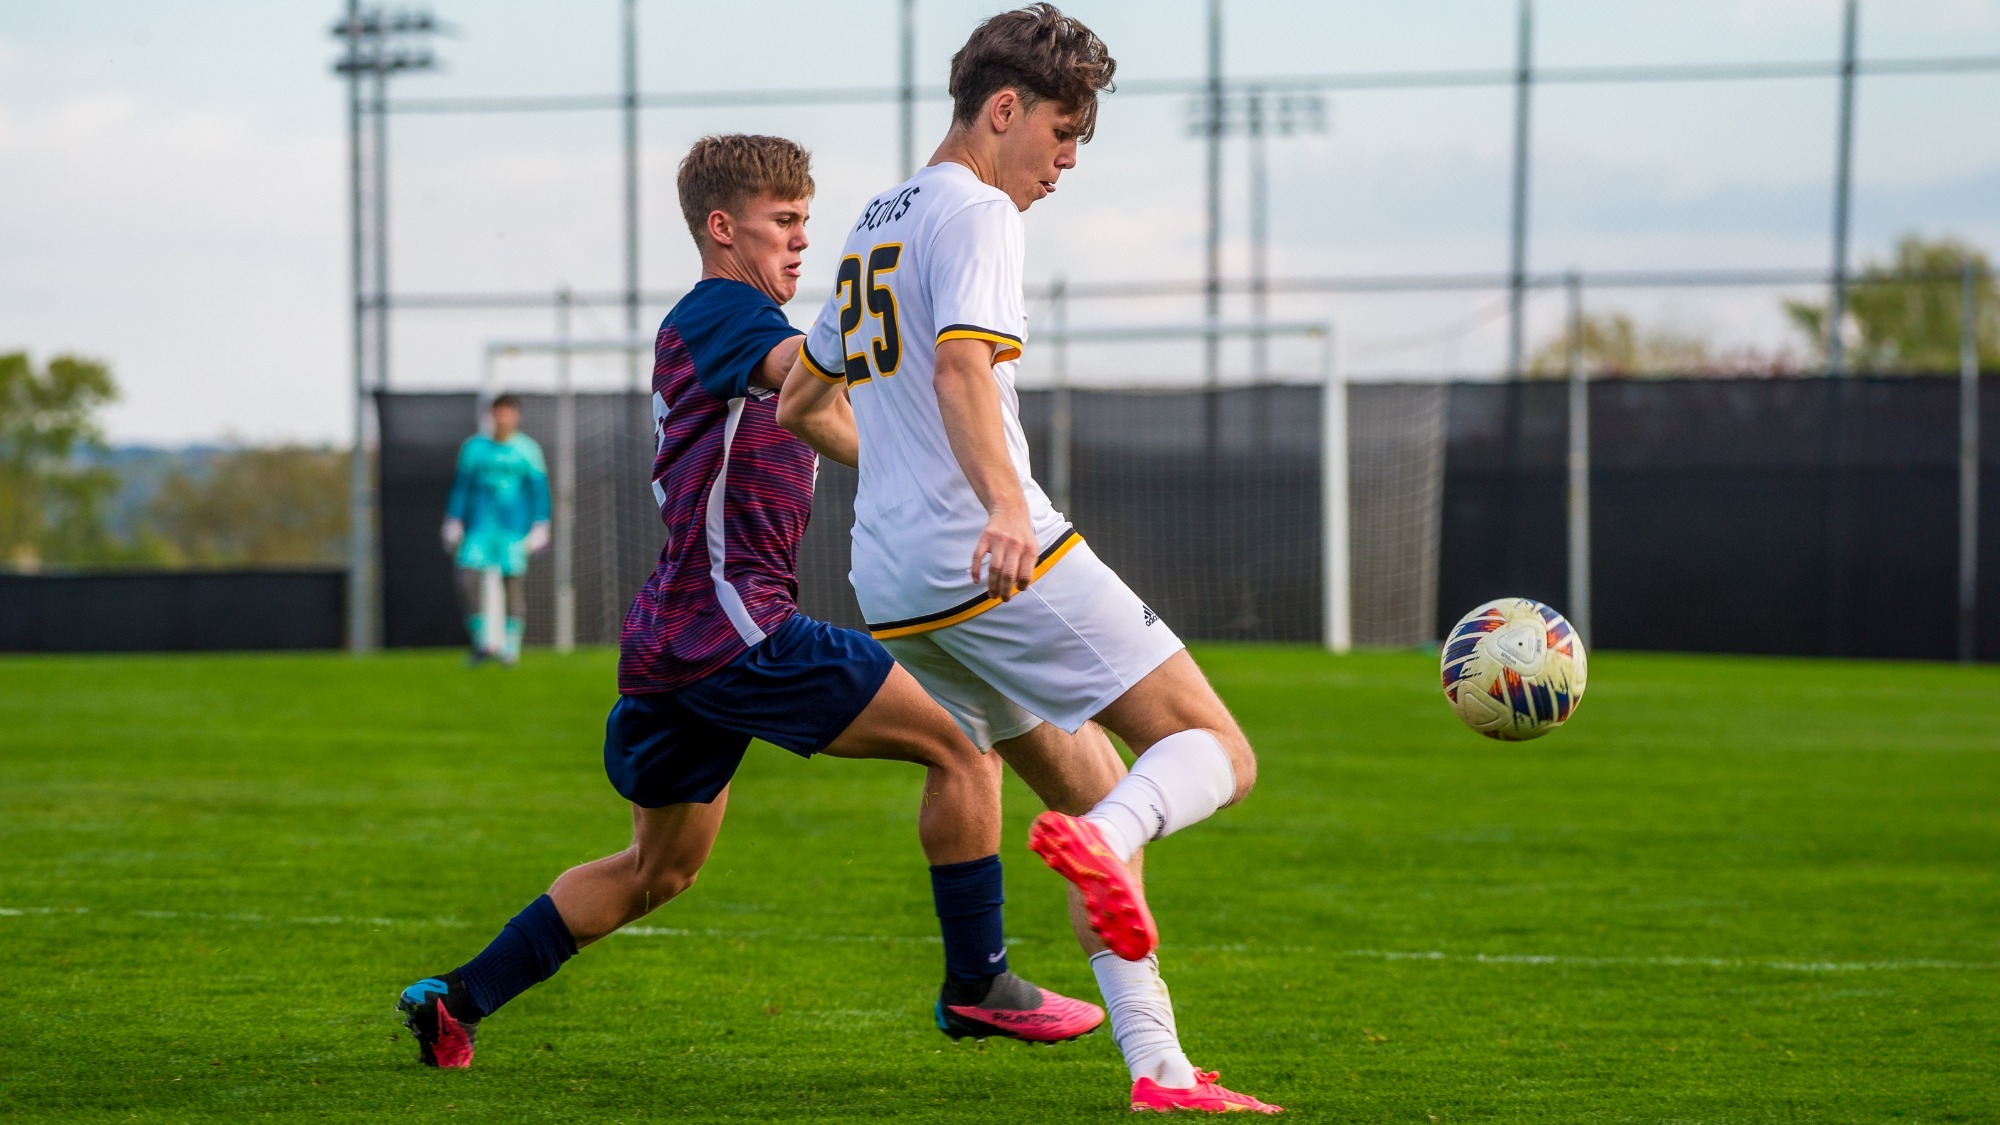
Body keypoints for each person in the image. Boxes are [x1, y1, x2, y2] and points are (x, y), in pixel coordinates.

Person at [396, 133, 1102, 1070]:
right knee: (966, 737)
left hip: (679, 633)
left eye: (808, 223)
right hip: (737, 624)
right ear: (723, 229)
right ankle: (978, 984)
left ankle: (458, 996)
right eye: (784, 224)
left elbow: (828, 410)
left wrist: (936, 467)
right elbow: (806, 370)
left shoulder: (734, 327)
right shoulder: (725, 314)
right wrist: (889, 291)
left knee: (659, 870)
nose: (801, 242)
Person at [778, 6, 1280, 1114]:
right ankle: (1100, 851)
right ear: (1000, 108)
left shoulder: (875, 220)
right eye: (1061, 132)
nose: (1065, 162)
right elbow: (962, 372)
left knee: (1107, 786)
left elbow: (798, 398)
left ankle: (1159, 1071)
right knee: (1215, 752)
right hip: (992, 559)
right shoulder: (978, 212)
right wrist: (998, 508)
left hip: (895, 586)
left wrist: (904, 483)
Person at [441, 393, 550, 666]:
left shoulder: (528, 450)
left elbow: (539, 491)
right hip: (480, 527)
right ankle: (482, 642)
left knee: (512, 584)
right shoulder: (474, 449)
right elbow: (462, 487)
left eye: (507, 412)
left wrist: (541, 524)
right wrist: (453, 520)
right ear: (490, 415)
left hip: (513, 529)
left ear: (516, 416)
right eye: (497, 412)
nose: (502, 418)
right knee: (467, 580)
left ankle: (511, 648)